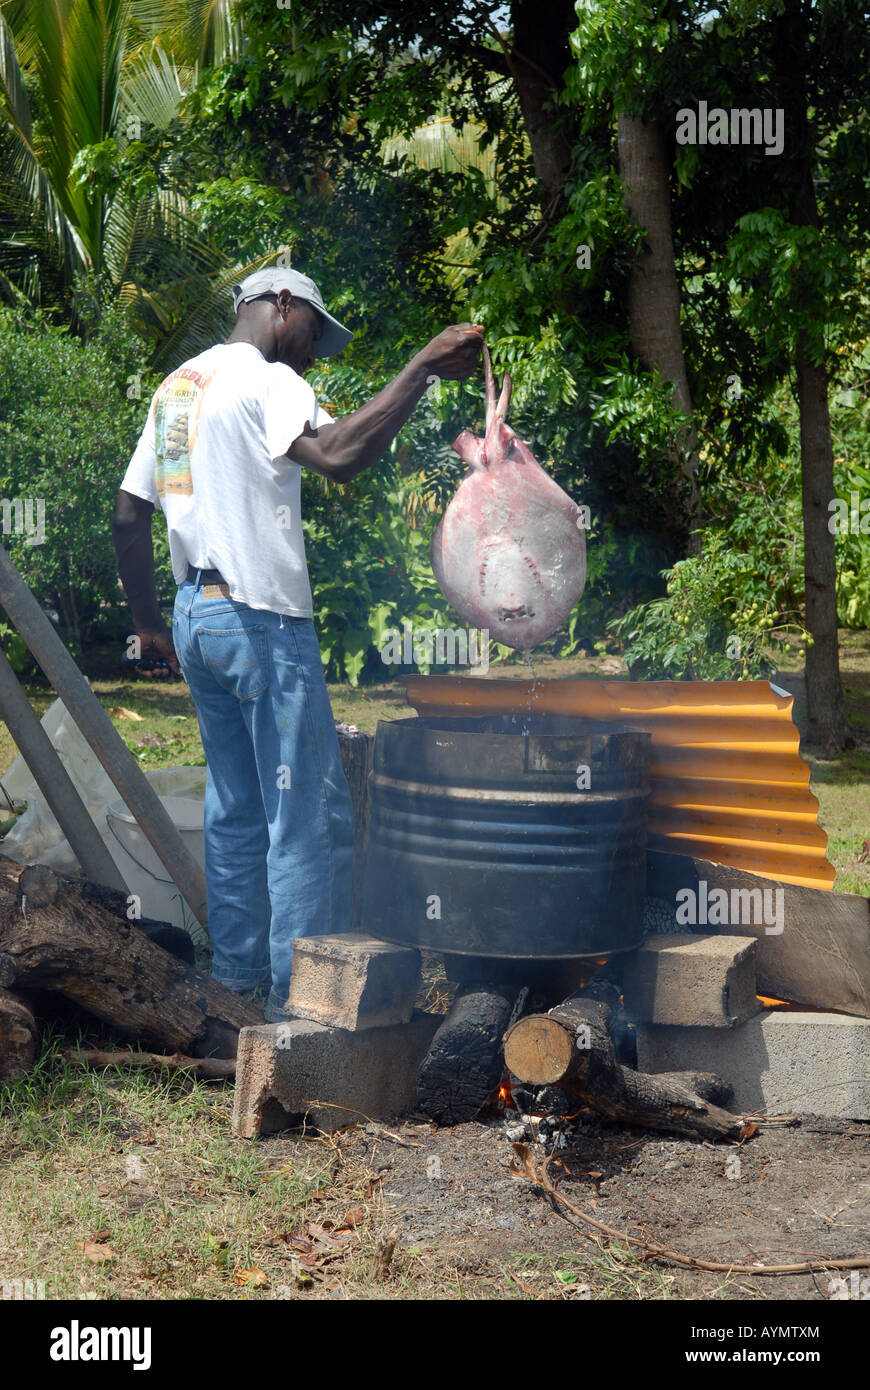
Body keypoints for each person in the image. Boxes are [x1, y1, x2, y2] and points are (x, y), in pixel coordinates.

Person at [112, 266, 483, 1020]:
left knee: (237, 808)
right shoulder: (267, 379)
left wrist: (150, 623)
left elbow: (127, 513)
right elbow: (341, 455)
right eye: (316, 333)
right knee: (306, 815)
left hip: (198, 617)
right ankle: (300, 1013)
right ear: (283, 307)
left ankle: (236, 989)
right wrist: (420, 369)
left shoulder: (177, 386)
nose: (314, 355)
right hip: (260, 621)